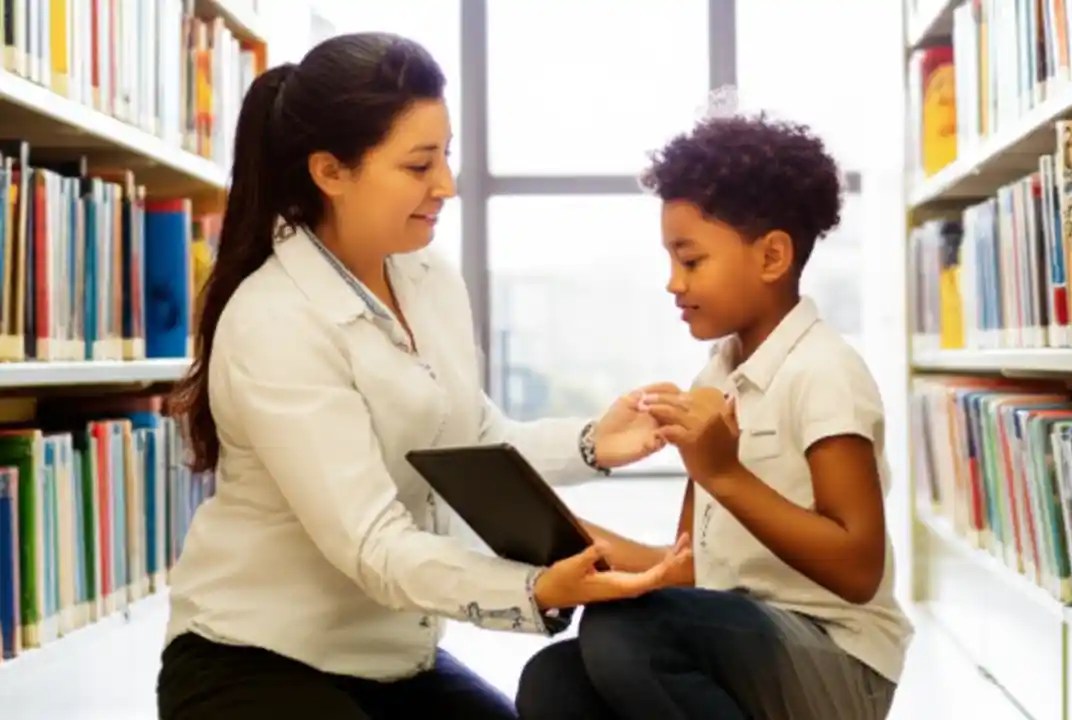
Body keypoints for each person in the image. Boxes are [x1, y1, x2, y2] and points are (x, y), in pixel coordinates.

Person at [154, 33, 691, 720]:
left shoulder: (429, 278)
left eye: (446, 155)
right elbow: (373, 544)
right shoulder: (274, 321)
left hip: (392, 666)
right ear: (330, 172)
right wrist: (533, 590)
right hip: (252, 664)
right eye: (418, 164)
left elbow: (470, 440)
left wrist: (594, 442)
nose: (447, 185)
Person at [516, 113, 914, 720]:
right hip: (739, 635)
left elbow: (859, 569)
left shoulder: (824, 371)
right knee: (557, 678)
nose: (673, 282)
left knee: (629, 634)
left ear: (772, 256)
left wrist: (723, 472)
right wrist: (574, 536)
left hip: (838, 659)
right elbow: (692, 570)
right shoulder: (716, 377)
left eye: (691, 259)